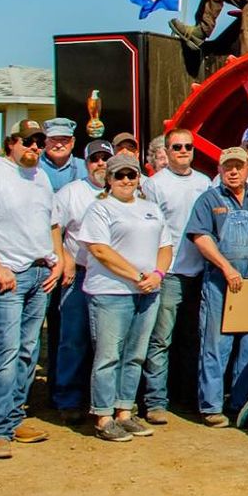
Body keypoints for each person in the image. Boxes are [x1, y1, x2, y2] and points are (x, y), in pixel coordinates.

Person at [0, 120, 60, 459]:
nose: (34, 147)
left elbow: (52, 223)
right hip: (8, 277)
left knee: (28, 350)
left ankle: (14, 416)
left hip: (39, 273)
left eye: (39, 142)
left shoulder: (41, 176)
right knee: (6, 351)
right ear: (11, 143)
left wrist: (58, 259)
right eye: (28, 141)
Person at [187, 146, 248, 426]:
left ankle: (240, 404)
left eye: (238, 167)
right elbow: (201, 237)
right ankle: (211, 407)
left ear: (247, 169)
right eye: (228, 167)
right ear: (219, 170)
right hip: (222, 283)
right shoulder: (209, 199)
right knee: (216, 345)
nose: (233, 172)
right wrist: (226, 267)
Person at [75, 153, 169, 443]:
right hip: (111, 292)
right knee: (108, 356)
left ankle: (125, 411)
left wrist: (158, 274)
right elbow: (99, 250)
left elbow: (165, 246)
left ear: (139, 178)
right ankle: (103, 416)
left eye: (132, 175)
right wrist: (136, 276)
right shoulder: (100, 209)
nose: (126, 180)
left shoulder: (151, 208)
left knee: (135, 354)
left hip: (148, 292)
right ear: (109, 179)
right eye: (120, 175)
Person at [138, 128, 212, 424]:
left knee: (194, 338)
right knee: (161, 339)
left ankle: (187, 395)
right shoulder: (155, 184)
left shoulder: (204, 182)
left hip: (200, 272)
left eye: (188, 147)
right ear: (166, 151)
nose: (183, 151)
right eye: (177, 147)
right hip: (169, 273)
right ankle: (155, 401)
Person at [47, 138, 113, 423]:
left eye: (105, 159)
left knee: (108, 343)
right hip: (80, 275)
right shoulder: (71, 192)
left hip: (113, 277)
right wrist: (66, 260)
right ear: (85, 163)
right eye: (94, 159)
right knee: (73, 339)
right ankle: (68, 399)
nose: (100, 164)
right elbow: (54, 230)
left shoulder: (124, 189)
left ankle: (102, 399)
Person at [37, 117, 90, 192]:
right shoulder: (34, 166)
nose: (58, 145)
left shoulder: (85, 167)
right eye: (53, 139)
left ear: (72, 142)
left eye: (64, 139)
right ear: (45, 141)